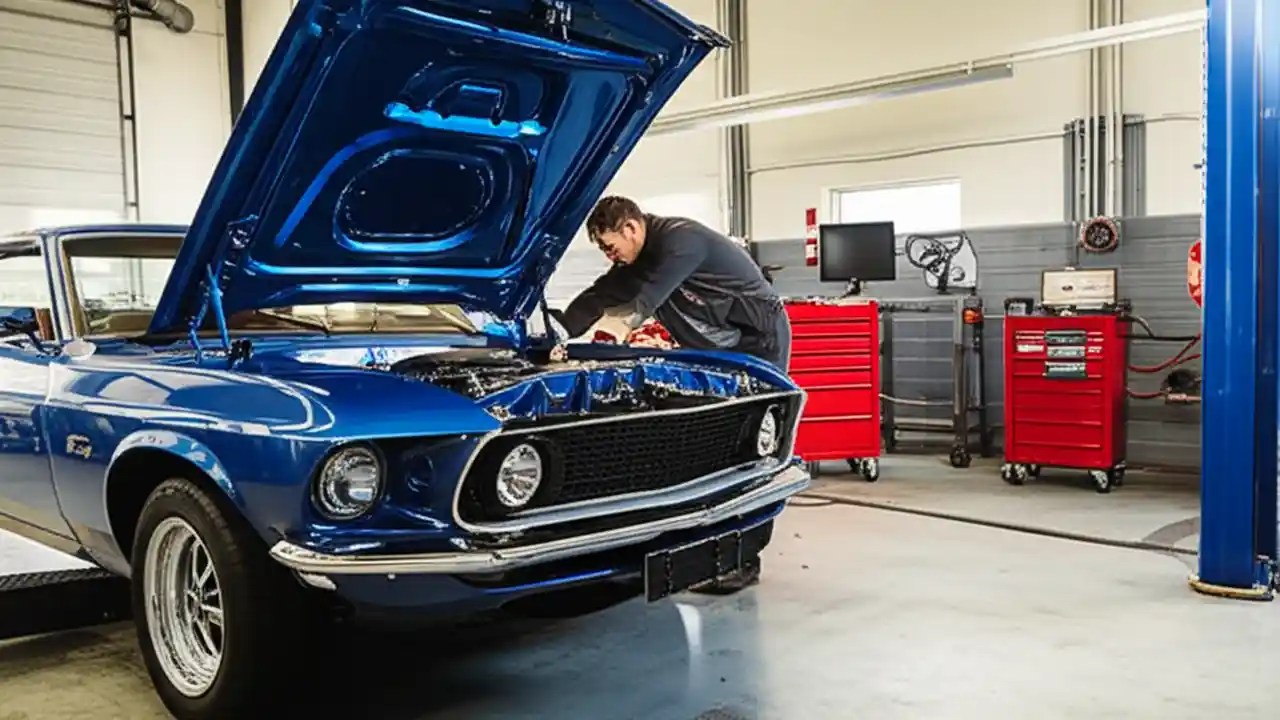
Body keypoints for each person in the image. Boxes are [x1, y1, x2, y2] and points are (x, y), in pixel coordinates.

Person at [558, 196, 792, 369]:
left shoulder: (682, 239)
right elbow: (598, 295)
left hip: (760, 333)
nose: (609, 256)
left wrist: (622, 323)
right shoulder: (635, 262)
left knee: (764, 417)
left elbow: (652, 293)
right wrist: (560, 332)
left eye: (609, 247)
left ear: (630, 228)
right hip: (715, 343)